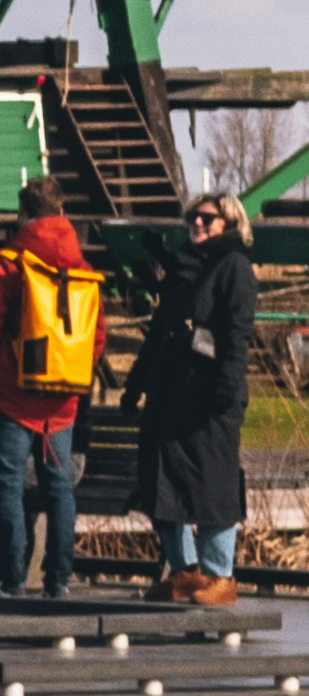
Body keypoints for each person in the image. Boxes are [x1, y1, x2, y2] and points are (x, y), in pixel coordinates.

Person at [0, 189, 101, 595]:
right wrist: (73, 376)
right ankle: (58, 582)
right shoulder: (83, 268)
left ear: (23, 213)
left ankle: (14, 579)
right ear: (62, 211)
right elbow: (97, 338)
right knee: (59, 489)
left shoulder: (8, 264)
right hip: (62, 401)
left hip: (10, 395)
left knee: (6, 485)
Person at [127, 184, 258, 600]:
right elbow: (160, 333)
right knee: (161, 479)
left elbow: (236, 335)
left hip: (208, 396)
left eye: (207, 217)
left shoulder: (233, 266)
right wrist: (135, 384)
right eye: (192, 218)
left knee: (212, 482)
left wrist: (226, 387)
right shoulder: (184, 270)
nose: (197, 223)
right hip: (171, 394)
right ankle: (183, 571)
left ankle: (221, 577)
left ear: (230, 223)